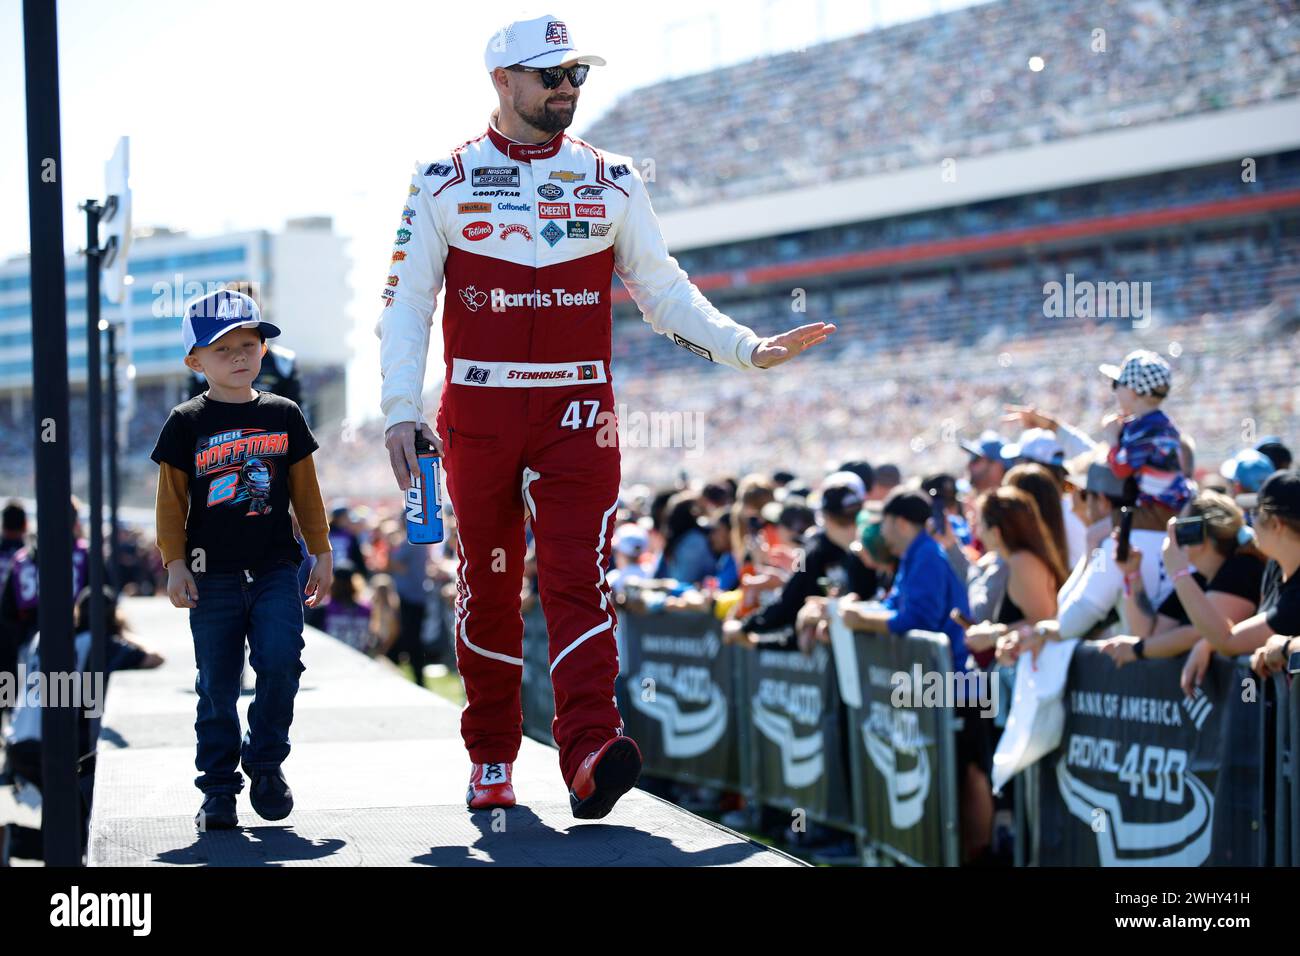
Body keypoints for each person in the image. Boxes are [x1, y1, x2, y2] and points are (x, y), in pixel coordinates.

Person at [375, 14, 835, 818]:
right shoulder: (438, 179)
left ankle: (590, 750)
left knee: (577, 580)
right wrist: (396, 413)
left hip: (581, 403)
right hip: (478, 405)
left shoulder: (614, 176)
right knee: (486, 588)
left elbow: (663, 292)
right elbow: (406, 306)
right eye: (551, 73)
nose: (567, 87)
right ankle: (491, 753)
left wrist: (746, 348)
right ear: (502, 82)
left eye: (576, 74)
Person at [151, 289, 332, 832]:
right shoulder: (185, 421)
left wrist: (321, 552)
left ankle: (266, 760)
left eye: (248, 344)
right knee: (218, 686)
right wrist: (174, 562)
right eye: (222, 348)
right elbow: (171, 502)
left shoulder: (284, 413)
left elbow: (306, 491)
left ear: (263, 351)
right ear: (194, 361)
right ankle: (218, 790)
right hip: (211, 578)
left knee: (281, 662)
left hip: (277, 568)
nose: (238, 356)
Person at [1, 588, 163, 862]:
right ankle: (14, 839)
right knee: (73, 829)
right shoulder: (100, 641)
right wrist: (123, 632)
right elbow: (154, 657)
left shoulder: (42, 636)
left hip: (19, 739)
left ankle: (13, 839)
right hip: (53, 743)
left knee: (65, 819)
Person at [1097, 491, 1265, 683]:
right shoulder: (1198, 579)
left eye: (1180, 526)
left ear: (1197, 534)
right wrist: (1132, 574)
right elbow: (1151, 634)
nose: (1173, 535)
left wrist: (1137, 649)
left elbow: (1205, 632)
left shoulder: (1243, 567)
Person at [723, 473, 876, 651]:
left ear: (824, 516)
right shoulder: (815, 551)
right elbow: (791, 601)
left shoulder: (863, 549)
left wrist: (745, 627)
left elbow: (788, 602)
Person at [1099, 349, 1191, 517]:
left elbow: (1121, 469)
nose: (1115, 391)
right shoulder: (1163, 425)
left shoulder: (1144, 430)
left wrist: (1112, 437)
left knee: (1094, 534)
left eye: (1117, 385)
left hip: (1158, 510)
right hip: (1173, 505)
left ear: (1132, 392)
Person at [386, 531, 432, 686]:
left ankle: (413, 678)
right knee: (413, 640)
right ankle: (417, 678)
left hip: (407, 597)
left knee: (407, 640)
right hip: (417, 596)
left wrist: (392, 546)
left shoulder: (409, 542)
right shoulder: (420, 541)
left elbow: (394, 563)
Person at [306, 567, 374, 653]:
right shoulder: (323, 609)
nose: (343, 587)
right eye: (340, 583)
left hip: (357, 659)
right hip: (329, 657)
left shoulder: (365, 610)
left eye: (346, 583)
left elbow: (370, 638)